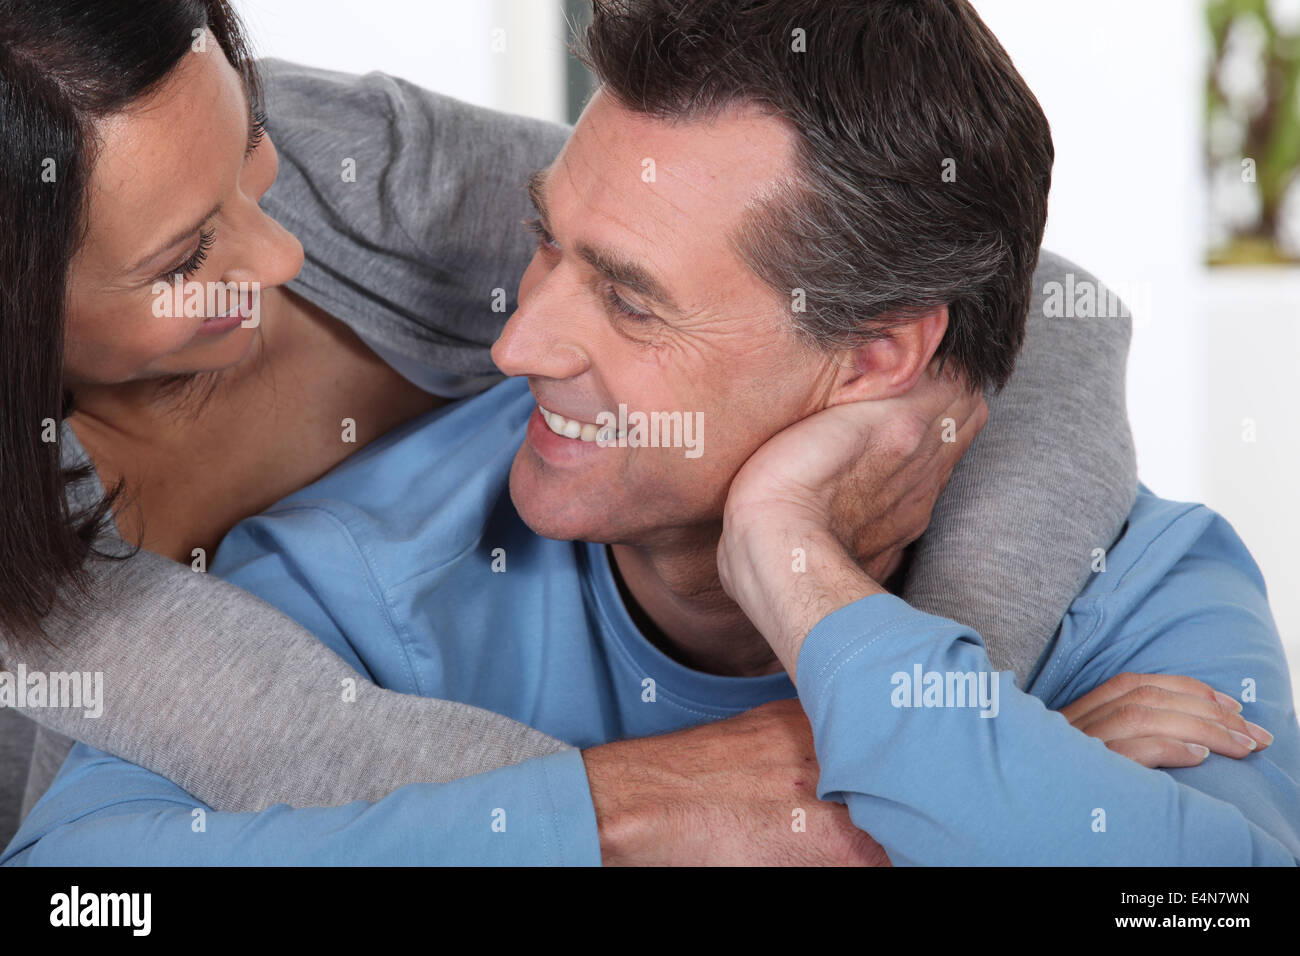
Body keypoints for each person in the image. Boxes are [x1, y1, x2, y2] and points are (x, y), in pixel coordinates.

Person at [6, 0, 1293, 866]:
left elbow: (1030, 303)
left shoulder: (1136, 583)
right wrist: (963, 780)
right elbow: (87, 883)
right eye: (185, 258)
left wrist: (920, 680)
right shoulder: (320, 591)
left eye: (256, 157)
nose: (280, 254)